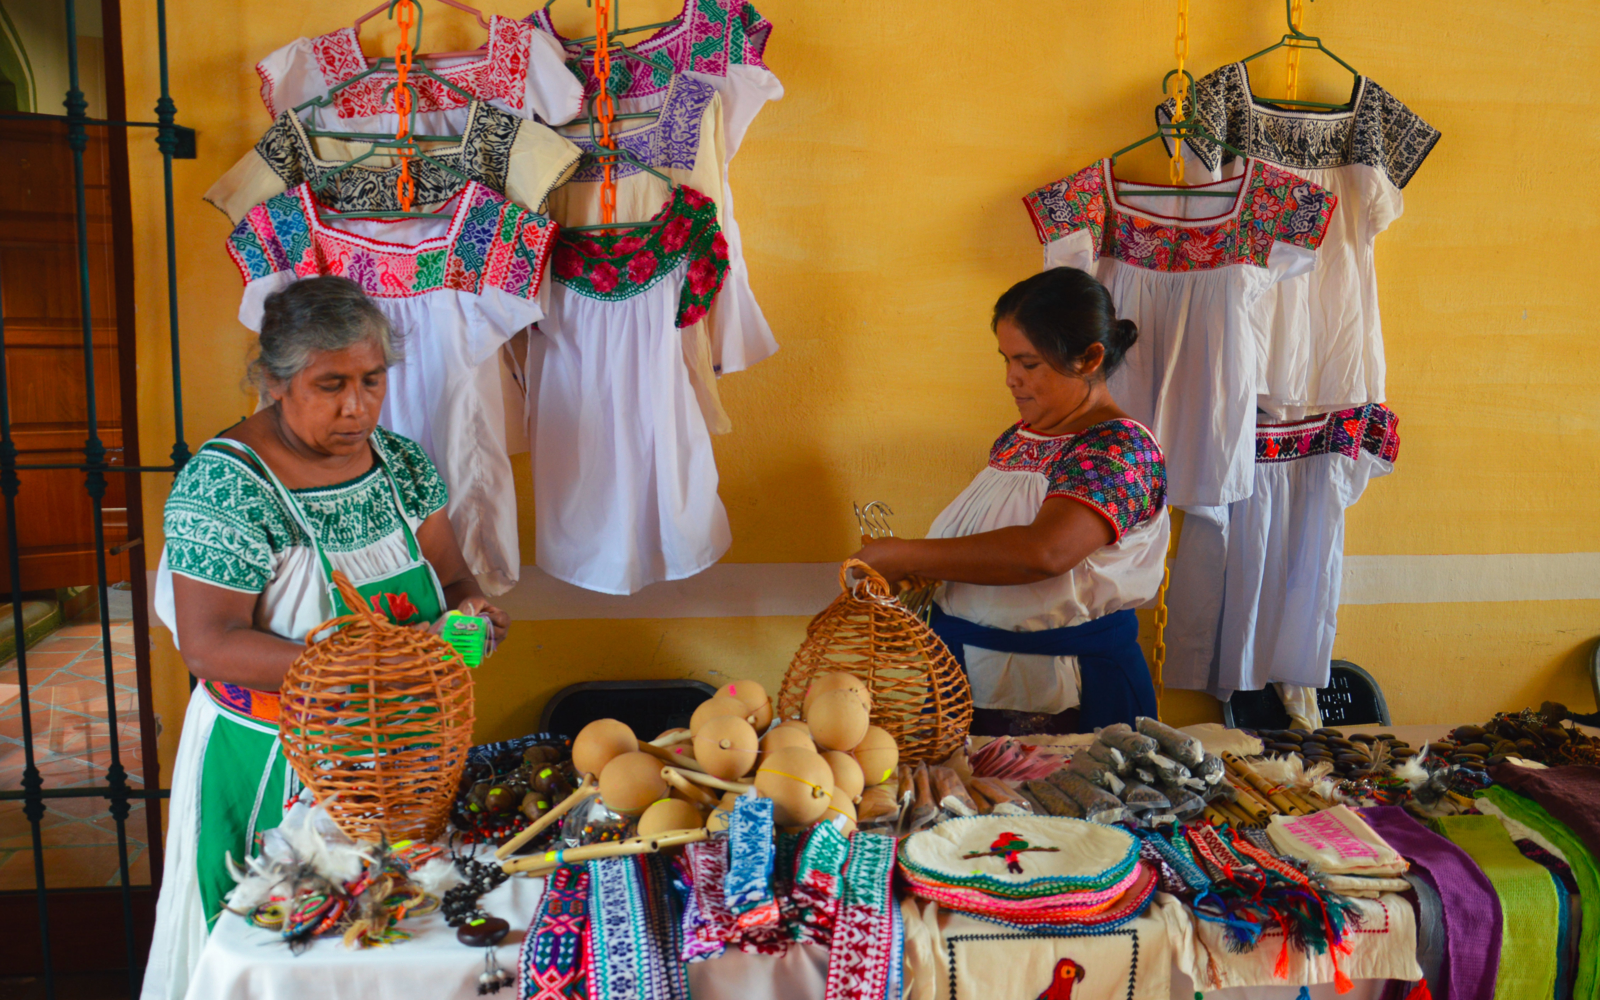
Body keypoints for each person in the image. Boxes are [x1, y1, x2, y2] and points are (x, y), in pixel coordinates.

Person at [142, 276, 510, 1000]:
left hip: (404, 761)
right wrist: (380, 665)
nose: (357, 405)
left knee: (398, 944)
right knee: (290, 953)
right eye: (330, 384)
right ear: (276, 383)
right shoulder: (227, 488)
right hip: (276, 765)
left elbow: (455, 576)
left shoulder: (400, 465)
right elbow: (209, 645)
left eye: (372, 380)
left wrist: (474, 613)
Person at [852, 268, 1168, 735]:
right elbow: (996, 549)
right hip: (971, 675)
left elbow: (1044, 554)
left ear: (1089, 358)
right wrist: (935, 568)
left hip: (1070, 694)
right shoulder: (1017, 441)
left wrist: (904, 553)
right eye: (1006, 360)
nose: (1010, 379)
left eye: (1029, 363)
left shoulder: (1117, 449)